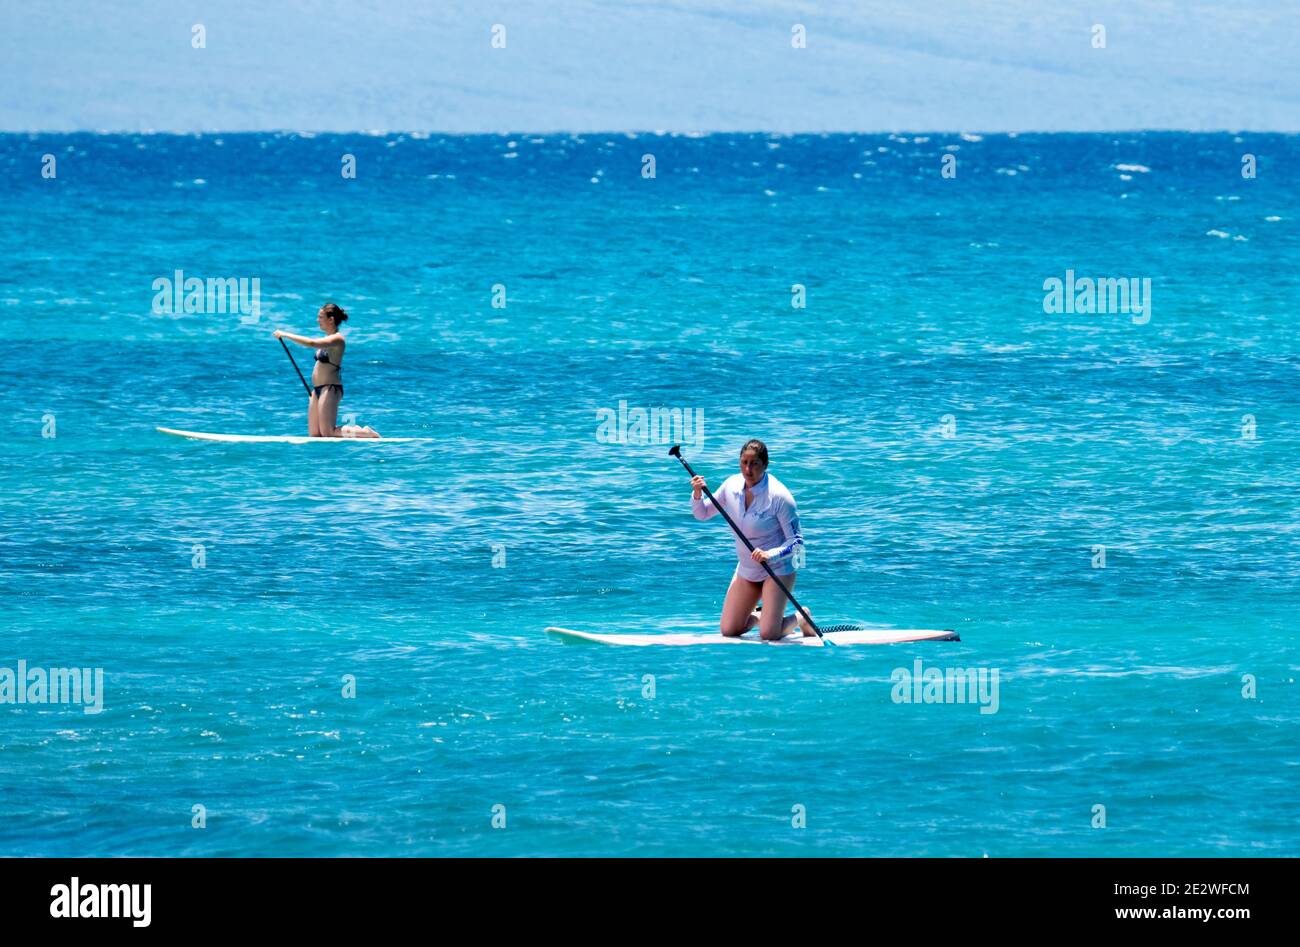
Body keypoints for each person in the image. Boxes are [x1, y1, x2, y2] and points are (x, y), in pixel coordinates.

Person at [690, 439, 812, 639]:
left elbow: (798, 544)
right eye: (744, 462)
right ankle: (760, 616)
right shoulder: (731, 485)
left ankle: (801, 616)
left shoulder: (779, 496)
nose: (748, 469)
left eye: (754, 463)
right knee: (729, 630)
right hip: (748, 569)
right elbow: (702, 513)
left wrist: (769, 555)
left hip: (778, 569)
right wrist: (696, 494)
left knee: (769, 635)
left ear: (765, 465)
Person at [273, 303, 378, 438]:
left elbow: (311, 343)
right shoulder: (327, 339)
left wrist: (285, 334)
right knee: (315, 434)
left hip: (330, 389)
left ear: (331, 319)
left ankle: (364, 432)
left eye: (320, 317)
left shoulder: (338, 339)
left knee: (328, 432)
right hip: (316, 390)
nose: (318, 320)